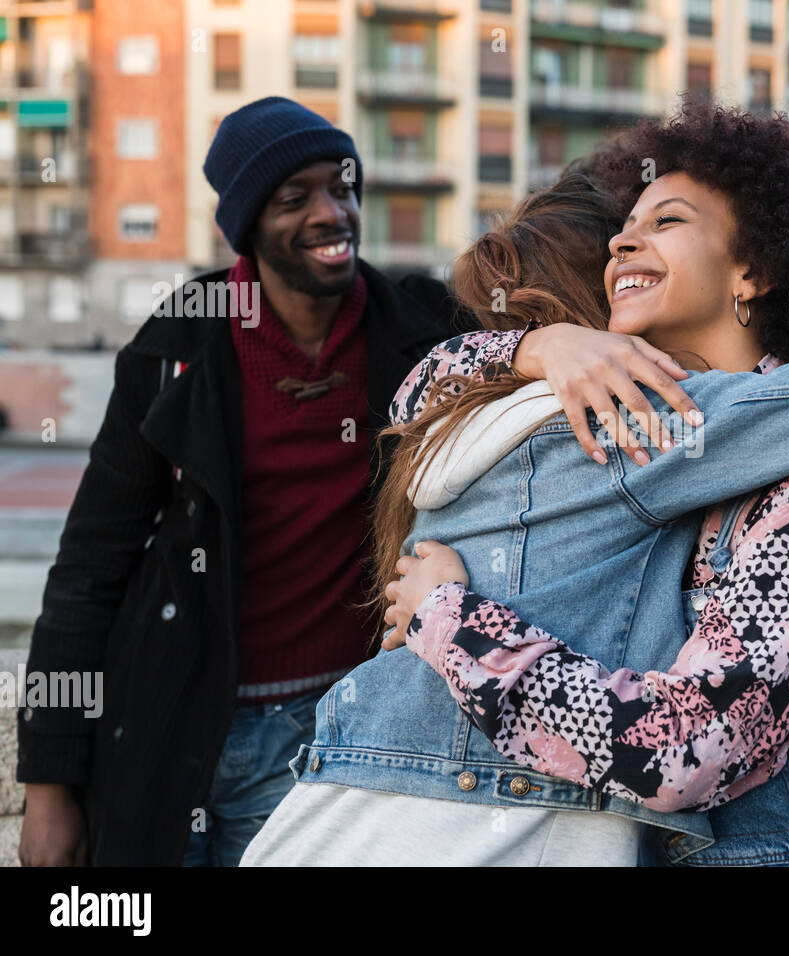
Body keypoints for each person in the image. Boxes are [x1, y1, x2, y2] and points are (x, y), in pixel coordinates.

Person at [243, 103, 789, 867]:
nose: (625, 239)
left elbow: (688, 750)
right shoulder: (655, 432)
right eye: (626, 225)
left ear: (753, 271)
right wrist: (539, 346)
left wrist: (450, 622)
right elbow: (419, 398)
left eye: (668, 222)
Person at [16, 97, 470, 866]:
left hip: (338, 735)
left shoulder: (422, 328)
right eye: (297, 198)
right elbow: (89, 569)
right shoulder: (178, 345)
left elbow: (527, 335)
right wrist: (48, 787)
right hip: (173, 729)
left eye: (344, 186)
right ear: (248, 225)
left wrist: (554, 344)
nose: (334, 213)